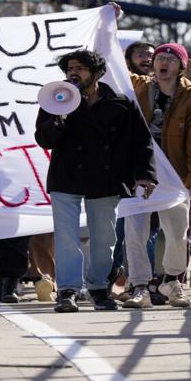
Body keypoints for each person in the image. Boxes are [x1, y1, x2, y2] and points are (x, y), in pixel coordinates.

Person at [34, 48, 155, 313]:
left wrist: (144, 175)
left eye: (80, 69)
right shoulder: (56, 99)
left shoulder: (121, 103)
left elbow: (140, 142)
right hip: (67, 177)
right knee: (67, 238)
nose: (73, 74)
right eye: (70, 69)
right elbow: (43, 139)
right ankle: (67, 290)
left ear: (98, 73)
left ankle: (99, 287)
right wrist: (58, 120)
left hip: (105, 178)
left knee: (104, 238)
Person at [121, 42, 191, 308]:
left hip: (175, 177)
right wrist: (109, 25)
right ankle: (139, 286)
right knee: (135, 231)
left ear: (182, 67)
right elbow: (111, 66)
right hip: (140, 173)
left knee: (176, 233)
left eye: (171, 60)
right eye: (160, 58)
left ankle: (172, 282)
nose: (163, 63)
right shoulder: (138, 88)